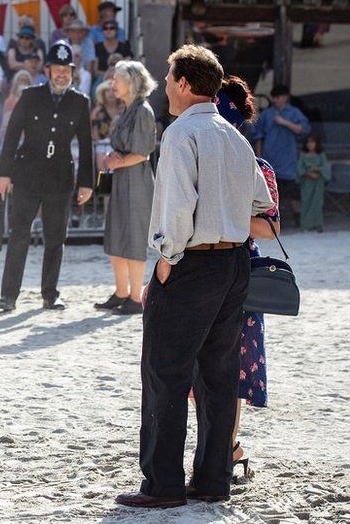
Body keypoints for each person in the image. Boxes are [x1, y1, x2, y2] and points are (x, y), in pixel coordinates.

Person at [115, 45, 274, 509]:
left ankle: (162, 484)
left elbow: (177, 206)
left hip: (191, 262)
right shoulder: (234, 136)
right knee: (218, 375)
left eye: (168, 79)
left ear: (185, 83)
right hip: (233, 263)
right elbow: (261, 204)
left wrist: (166, 257)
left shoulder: (183, 133)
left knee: (165, 370)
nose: (165, 86)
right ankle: (212, 480)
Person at [203, 75, 282, 479]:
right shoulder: (198, 156)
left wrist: (226, 213)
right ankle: (214, 447)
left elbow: (270, 229)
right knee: (199, 369)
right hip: (197, 266)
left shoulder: (258, 166)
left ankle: (229, 446)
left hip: (239, 272)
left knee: (233, 368)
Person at [0, 42, 94, 312]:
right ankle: (8, 295)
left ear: (72, 72)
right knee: (19, 236)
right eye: (57, 69)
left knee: (55, 238)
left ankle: (50, 293)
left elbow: (86, 144)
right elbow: (12, 134)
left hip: (60, 178)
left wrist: (87, 182)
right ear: (48, 70)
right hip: (27, 174)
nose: (62, 74)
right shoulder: (30, 96)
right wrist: (3, 173)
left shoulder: (79, 102)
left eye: (67, 70)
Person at [94, 60, 158, 315]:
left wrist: (117, 160)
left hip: (136, 181)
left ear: (131, 82)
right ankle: (121, 292)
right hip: (123, 178)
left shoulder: (142, 111)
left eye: (117, 79)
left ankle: (135, 296)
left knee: (132, 238)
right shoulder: (127, 110)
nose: (112, 84)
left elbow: (142, 153)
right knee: (117, 235)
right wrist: (113, 158)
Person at [253, 84, 311, 227]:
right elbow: (258, 136)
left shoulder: (294, 113)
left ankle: (298, 219)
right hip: (270, 158)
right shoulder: (267, 114)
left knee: (292, 190)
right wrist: (259, 159)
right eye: (275, 97)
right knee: (271, 191)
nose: (277, 99)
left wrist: (285, 122)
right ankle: (274, 221)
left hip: (288, 159)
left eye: (280, 97)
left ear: (286, 97)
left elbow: (304, 130)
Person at [297, 133, 330, 232]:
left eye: (312, 142)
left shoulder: (321, 155)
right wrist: (308, 173)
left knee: (317, 203)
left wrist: (318, 169)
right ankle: (305, 226)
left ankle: (318, 225)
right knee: (306, 203)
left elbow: (326, 168)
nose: (310, 144)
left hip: (318, 183)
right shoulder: (303, 156)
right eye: (308, 142)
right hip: (307, 183)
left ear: (317, 143)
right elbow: (299, 169)